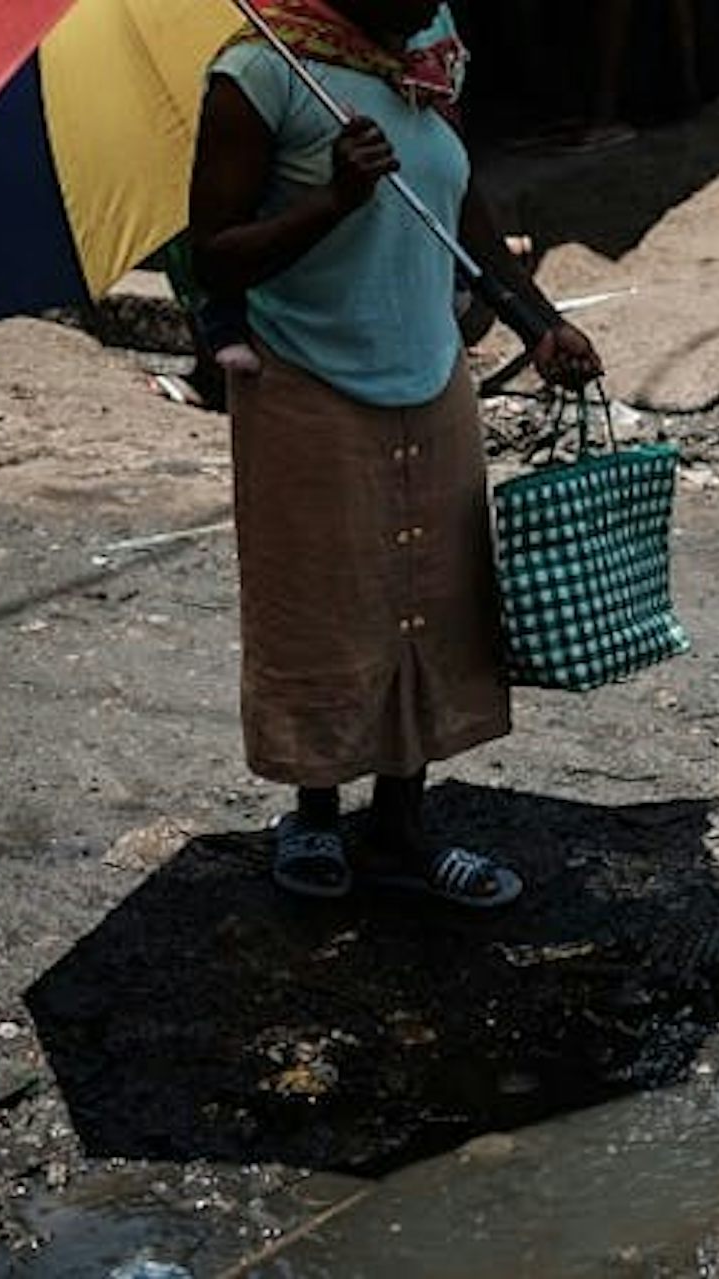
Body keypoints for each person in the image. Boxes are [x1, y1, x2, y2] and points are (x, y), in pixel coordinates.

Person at [189, 0, 603, 904]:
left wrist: (540, 322)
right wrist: (335, 199)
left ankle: (401, 827)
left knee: (434, 602)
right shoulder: (259, 76)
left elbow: (465, 211)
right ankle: (315, 814)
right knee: (327, 604)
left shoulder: (429, 53)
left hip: (432, 377)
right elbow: (213, 255)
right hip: (306, 384)